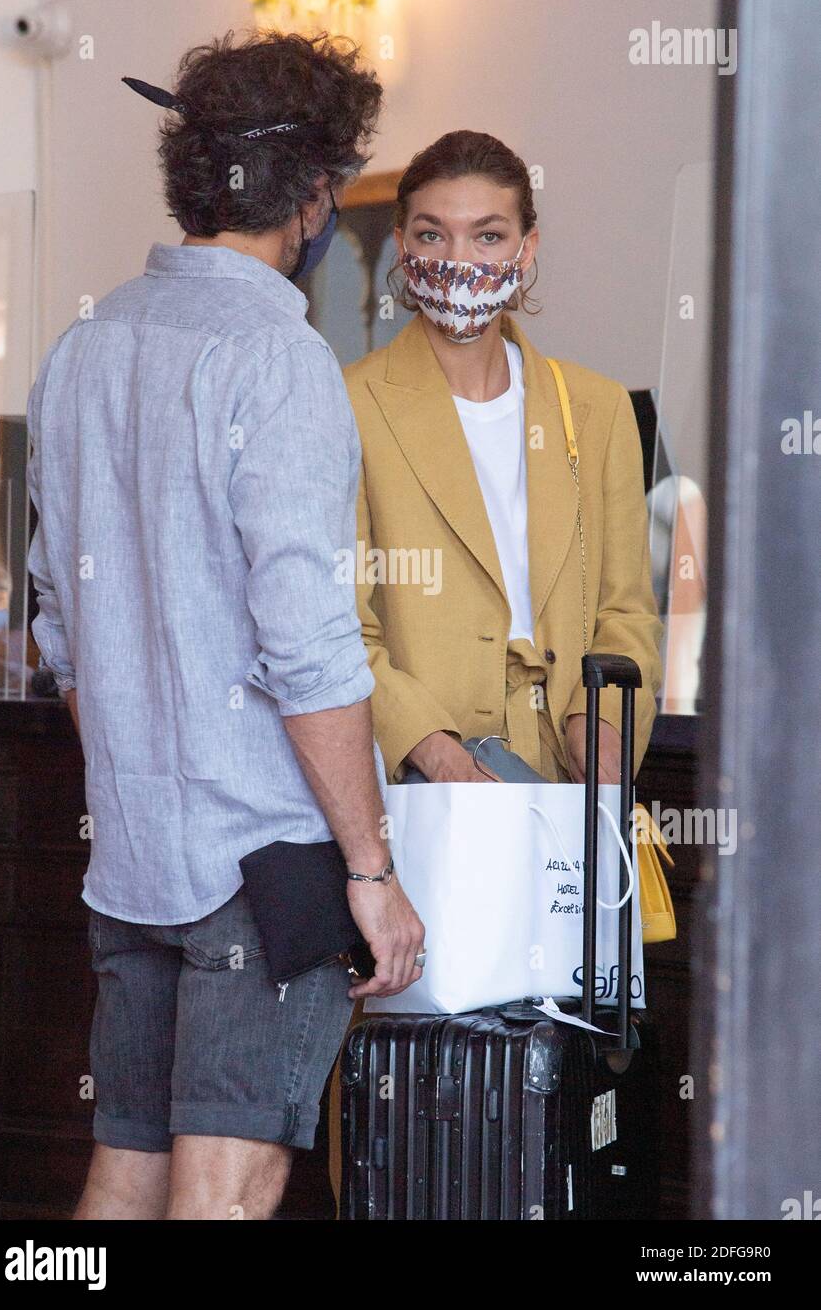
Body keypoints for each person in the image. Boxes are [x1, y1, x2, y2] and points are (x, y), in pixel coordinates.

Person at [26, 29, 424, 1222]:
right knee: (228, 1198)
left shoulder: (81, 348)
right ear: (312, 200)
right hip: (266, 865)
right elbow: (306, 648)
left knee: (124, 1177)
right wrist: (371, 871)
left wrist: (141, 774)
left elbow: (62, 626)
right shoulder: (279, 359)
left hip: (134, 857)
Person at [327, 131, 664, 1200]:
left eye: (485, 235)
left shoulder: (596, 409)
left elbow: (624, 605)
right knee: (413, 1077)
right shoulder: (347, 399)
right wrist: (430, 747)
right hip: (419, 792)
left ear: (526, 251)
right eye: (428, 235)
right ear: (397, 255)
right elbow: (340, 621)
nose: (456, 259)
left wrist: (605, 738)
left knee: (562, 1075)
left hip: (564, 788)